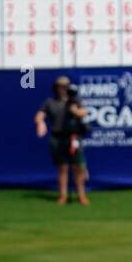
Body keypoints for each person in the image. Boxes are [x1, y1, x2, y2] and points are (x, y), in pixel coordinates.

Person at [35, 75, 91, 206]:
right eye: (61, 86)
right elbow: (39, 115)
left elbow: (84, 112)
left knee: (78, 167)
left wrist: (75, 111)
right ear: (56, 88)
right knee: (63, 168)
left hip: (73, 137)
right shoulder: (50, 102)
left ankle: (81, 195)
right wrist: (40, 122)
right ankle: (63, 195)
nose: (63, 89)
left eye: (66, 86)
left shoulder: (75, 101)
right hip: (58, 137)